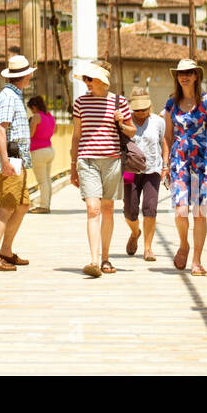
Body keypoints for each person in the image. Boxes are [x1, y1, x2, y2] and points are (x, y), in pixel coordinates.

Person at [70, 62, 135, 278]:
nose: (86, 83)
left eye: (90, 79)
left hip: (113, 161)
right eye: (85, 79)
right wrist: (72, 165)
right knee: (93, 209)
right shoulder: (80, 103)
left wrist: (121, 122)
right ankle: (94, 260)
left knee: (107, 209)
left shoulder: (119, 102)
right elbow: (77, 135)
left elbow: (132, 131)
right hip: (87, 161)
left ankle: (106, 257)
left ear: (101, 81)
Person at [163, 58, 207, 276]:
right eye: (180, 73)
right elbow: (167, 136)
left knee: (199, 213)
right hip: (179, 162)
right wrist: (165, 164)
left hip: (202, 162)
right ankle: (183, 244)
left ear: (197, 75)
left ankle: (196, 261)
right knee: (181, 211)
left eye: (188, 72)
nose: (184, 76)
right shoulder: (171, 103)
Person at [0, 54, 37, 271]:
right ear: (24, 76)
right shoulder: (8, 97)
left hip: (19, 158)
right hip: (11, 159)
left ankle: (5, 251)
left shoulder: (15, 95)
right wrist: (5, 162)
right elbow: (1, 130)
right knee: (6, 207)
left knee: (23, 205)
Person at [123, 87, 165, 260]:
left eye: (144, 109)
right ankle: (135, 233)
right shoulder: (125, 122)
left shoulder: (158, 121)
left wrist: (166, 166)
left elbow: (164, 143)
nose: (140, 113)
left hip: (152, 169)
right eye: (137, 110)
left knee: (150, 208)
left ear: (150, 106)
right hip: (130, 171)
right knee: (130, 211)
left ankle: (148, 248)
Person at [27, 95, 57, 213]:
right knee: (47, 179)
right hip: (49, 149)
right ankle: (47, 204)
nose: (32, 111)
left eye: (31, 109)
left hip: (38, 151)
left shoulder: (36, 117)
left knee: (42, 181)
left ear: (34, 106)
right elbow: (55, 130)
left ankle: (44, 206)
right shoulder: (50, 117)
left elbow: (31, 134)